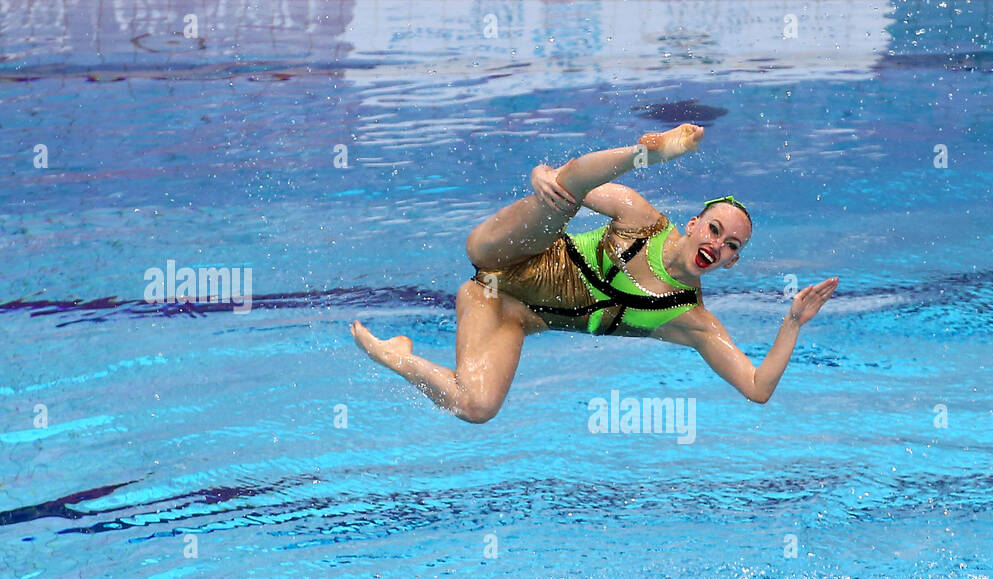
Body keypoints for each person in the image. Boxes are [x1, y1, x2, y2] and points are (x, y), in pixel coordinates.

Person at [351, 123, 840, 422]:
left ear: (732, 262)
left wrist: (792, 323)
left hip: (500, 305)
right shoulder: (643, 222)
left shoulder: (691, 320)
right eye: (714, 230)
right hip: (513, 252)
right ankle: (652, 152)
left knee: (477, 407)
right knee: (561, 196)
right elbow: (578, 178)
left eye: (731, 246)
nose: (718, 244)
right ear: (692, 225)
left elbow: (758, 388)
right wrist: (542, 174)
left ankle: (398, 357)